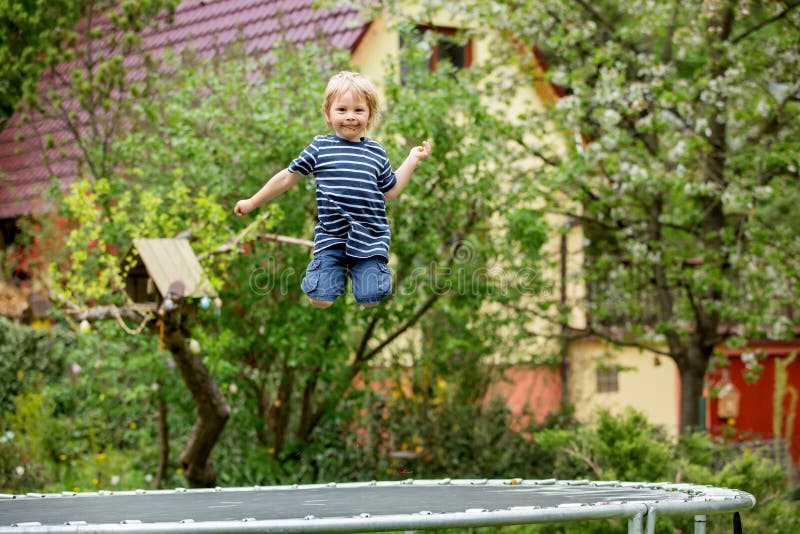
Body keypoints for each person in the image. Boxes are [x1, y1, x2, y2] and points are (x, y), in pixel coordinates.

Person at [234, 71, 431, 308]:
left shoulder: (376, 152)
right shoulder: (320, 148)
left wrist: (411, 159)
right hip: (332, 239)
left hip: (369, 239)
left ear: (369, 116)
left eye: (358, 110)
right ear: (328, 114)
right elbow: (287, 178)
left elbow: (391, 191)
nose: (350, 117)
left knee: (370, 300)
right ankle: (334, 271)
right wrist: (252, 202)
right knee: (319, 300)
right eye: (342, 110)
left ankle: (361, 273)